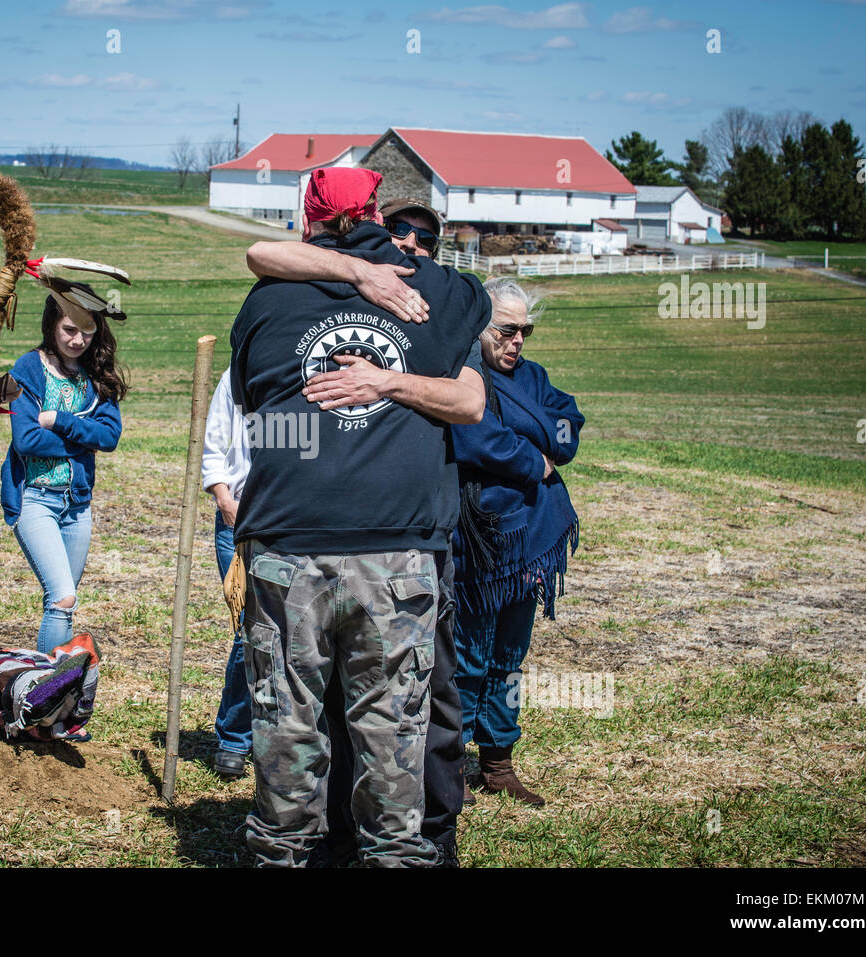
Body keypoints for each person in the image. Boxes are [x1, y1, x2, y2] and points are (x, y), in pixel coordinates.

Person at [230, 167, 488, 867]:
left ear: (307, 222)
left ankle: (285, 851)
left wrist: (375, 377)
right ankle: (391, 853)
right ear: (379, 213)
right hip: (394, 551)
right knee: (392, 729)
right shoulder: (437, 290)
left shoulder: (266, 302)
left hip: (289, 543)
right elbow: (471, 370)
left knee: (286, 722)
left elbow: (255, 401)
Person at [451, 277, 583, 807]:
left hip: (531, 537)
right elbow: (475, 436)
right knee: (468, 657)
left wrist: (539, 438)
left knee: (509, 654)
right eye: (507, 330)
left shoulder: (534, 377)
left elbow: (569, 423)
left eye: (525, 330)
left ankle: (498, 760)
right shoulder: (463, 376)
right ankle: (447, 763)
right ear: (481, 327)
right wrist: (536, 456)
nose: (518, 341)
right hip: (482, 537)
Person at [0, 288, 127, 653]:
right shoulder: (29, 368)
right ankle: (44, 686)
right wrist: (83, 442)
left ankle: (51, 696)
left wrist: (59, 421)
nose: (78, 340)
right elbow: (25, 440)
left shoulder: (95, 377)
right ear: (52, 325)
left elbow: (109, 435)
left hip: (77, 506)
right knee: (63, 598)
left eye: (87, 332)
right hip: (35, 499)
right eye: (69, 329)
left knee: (62, 606)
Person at [201, 369, 252, 778]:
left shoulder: (315, 371)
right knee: (249, 628)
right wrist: (224, 498)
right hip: (239, 519)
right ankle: (235, 736)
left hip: (295, 519)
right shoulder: (235, 377)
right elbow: (214, 445)